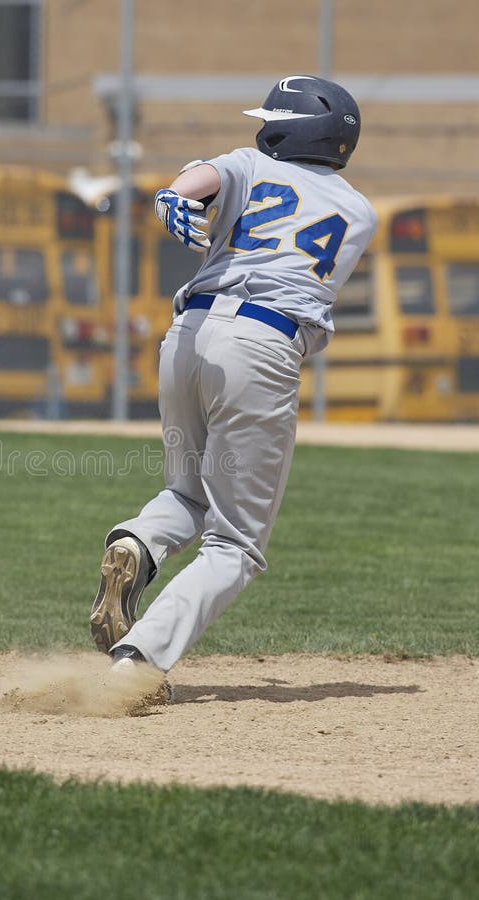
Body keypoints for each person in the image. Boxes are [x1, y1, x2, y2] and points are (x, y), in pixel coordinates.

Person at [90, 75, 377, 689]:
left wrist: (173, 194)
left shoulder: (249, 163)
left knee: (186, 493)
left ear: (288, 127)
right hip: (262, 344)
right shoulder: (360, 211)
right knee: (235, 546)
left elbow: (202, 179)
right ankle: (139, 659)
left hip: (188, 335)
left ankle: (138, 546)